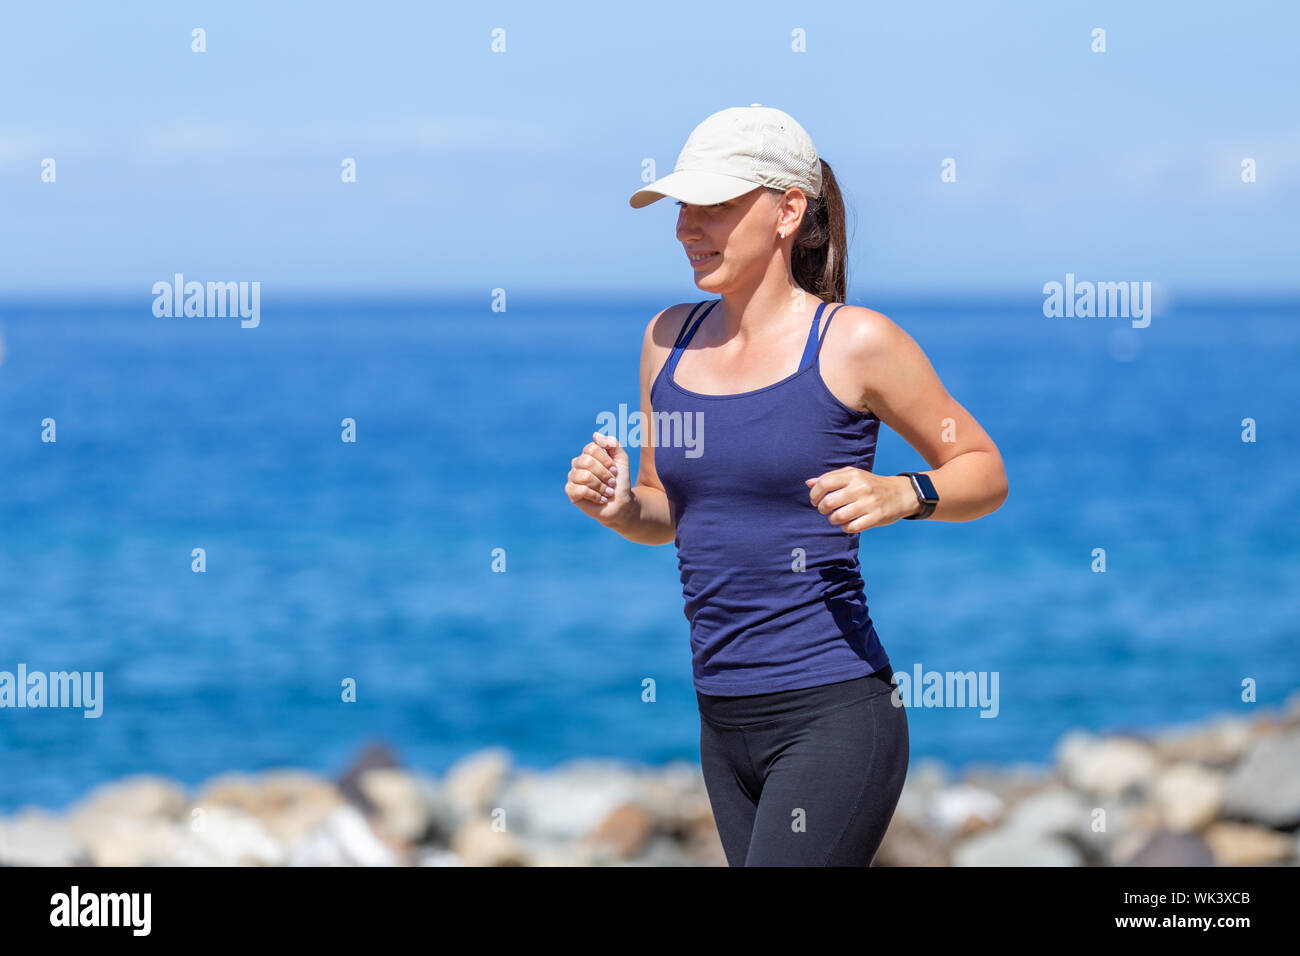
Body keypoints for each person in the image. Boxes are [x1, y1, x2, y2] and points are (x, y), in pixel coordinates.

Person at [565, 105, 1008, 866]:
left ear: (787, 211)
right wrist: (617, 507)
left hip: (834, 711)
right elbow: (664, 509)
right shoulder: (666, 339)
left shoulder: (855, 342)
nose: (685, 228)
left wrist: (905, 494)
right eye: (681, 210)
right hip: (721, 717)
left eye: (714, 207)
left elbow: (982, 469)